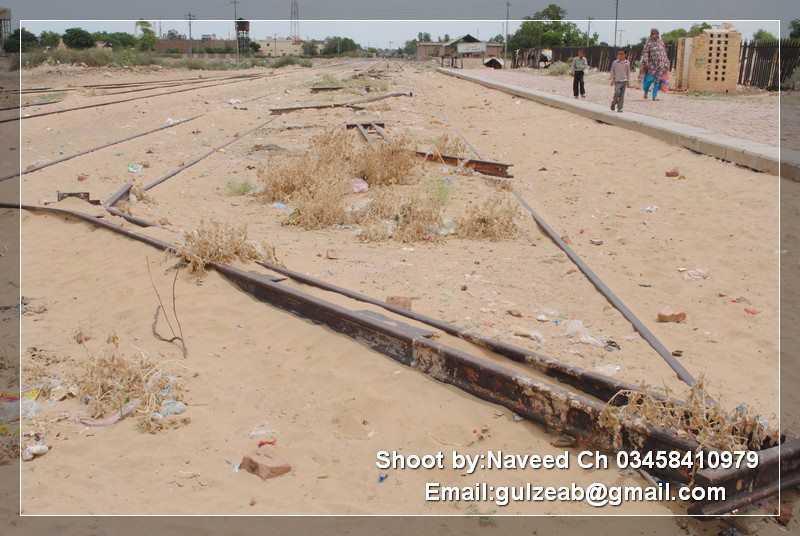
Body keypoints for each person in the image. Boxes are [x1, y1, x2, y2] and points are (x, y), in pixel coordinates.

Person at [640, 28, 669, 101]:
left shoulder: (661, 42)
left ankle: (654, 96)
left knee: (657, 80)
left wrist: (666, 63)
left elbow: (664, 53)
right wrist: (646, 61)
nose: (655, 35)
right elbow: (645, 52)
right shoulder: (648, 43)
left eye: (656, 34)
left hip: (660, 64)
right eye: (653, 34)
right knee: (649, 80)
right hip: (651, 65)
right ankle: (646, 91)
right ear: (651, 34)